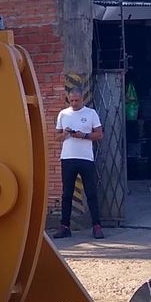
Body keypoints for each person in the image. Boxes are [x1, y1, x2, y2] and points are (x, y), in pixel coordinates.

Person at [53, 86, 104, 240]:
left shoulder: (91, 113)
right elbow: (56, 137)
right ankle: (65, 226)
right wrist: (65, 134)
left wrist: (84, 136)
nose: (74, 103)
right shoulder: (63, 114)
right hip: (68, 158)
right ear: (68, 99)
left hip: (86, 158)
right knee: (67, 194)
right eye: (72, 100)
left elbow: (99, 134)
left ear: (82, 99)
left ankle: (96, 226)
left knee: (91, 193)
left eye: (77, 100)